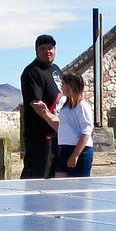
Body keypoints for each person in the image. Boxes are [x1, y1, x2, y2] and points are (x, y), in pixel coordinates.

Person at [20, 35, 61, 179]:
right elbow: (36, 104)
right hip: (40, 137)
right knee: (38, 178)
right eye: (43, 48)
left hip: (58, 135)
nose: (47, 51)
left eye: (50, 48)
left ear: (55, 50)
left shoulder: (56, 70)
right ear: (36, 51)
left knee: (55, 178)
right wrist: (53, 122)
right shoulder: (32, 72)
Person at [55, 71, 95, 176]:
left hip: (80, 150)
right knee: (60, 183)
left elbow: (86, 131)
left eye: (63, 84)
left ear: (70, 86)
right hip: (64, 148)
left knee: (79, 188)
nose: (61, 86)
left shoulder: (82, 106)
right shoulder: (65, 106)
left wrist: (75, 155)